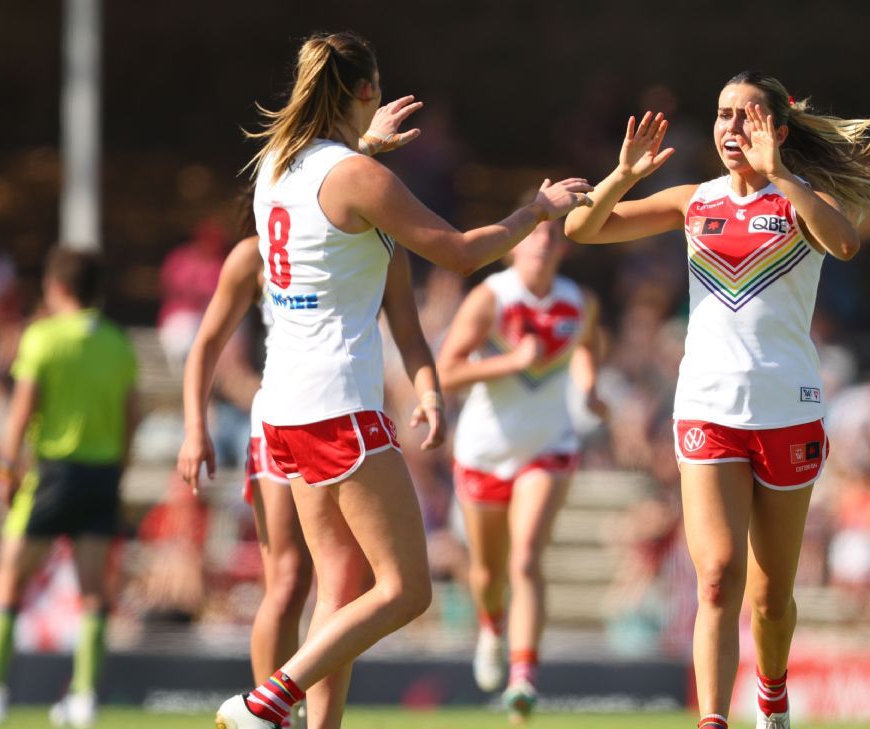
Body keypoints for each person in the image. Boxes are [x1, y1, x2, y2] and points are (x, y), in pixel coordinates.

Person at [211, 31, 592, 729]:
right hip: (338, 403)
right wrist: (536, 211)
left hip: (285, 409)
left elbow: (330, 203)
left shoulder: (275, 165)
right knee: (406, 588)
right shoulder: (358, 176)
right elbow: (461, 252)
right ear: (366, 91)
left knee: (340, 585)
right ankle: (266, 701)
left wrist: (364, 146)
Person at [565, 71, 870, 729]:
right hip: (707, 409)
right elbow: (581, 227)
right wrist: (623, 175)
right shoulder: (694, 200)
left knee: (771, 598)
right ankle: (713, 719)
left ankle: (772, 692)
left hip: (788, 412)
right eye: (723, 115)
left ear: (777, 129)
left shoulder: (801, 200)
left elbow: (844, 242)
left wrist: (784, 177)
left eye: (747, 116)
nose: (731, 128)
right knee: (716, 577)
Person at [177, 232, 446, 729]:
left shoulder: (380, 243)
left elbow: (409, 335)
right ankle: (270, 711)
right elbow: (209, 343)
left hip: (334, 412)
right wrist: (196, 426)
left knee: (340, 584)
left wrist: (427, 393)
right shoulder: (258, 250)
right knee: (289, 580)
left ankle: (285, 713)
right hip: (288, 415)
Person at [0, 247, 139, 728]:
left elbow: (22, 409)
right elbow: (132, 416)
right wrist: (118, 472)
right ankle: (83, 698)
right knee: (93, 592)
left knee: (7, 578)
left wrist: (6, 471)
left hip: (54, 475)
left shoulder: (42, 336)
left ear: (56, 287)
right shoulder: (117, 342)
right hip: (102, 475)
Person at [436, 216, 604, 720]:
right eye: (534, 236)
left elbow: (586, 347)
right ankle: (491, 628)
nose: (542, 244)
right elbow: (447, 370)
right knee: (488, 572)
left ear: (563, 249)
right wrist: (511, 363)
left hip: (548, 445)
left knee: (526, 557)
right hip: (485, 450)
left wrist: (589, 387)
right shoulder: (491, 297)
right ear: (512, 248)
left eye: (552, 236)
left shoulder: (580, 301)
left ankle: (523, 676)